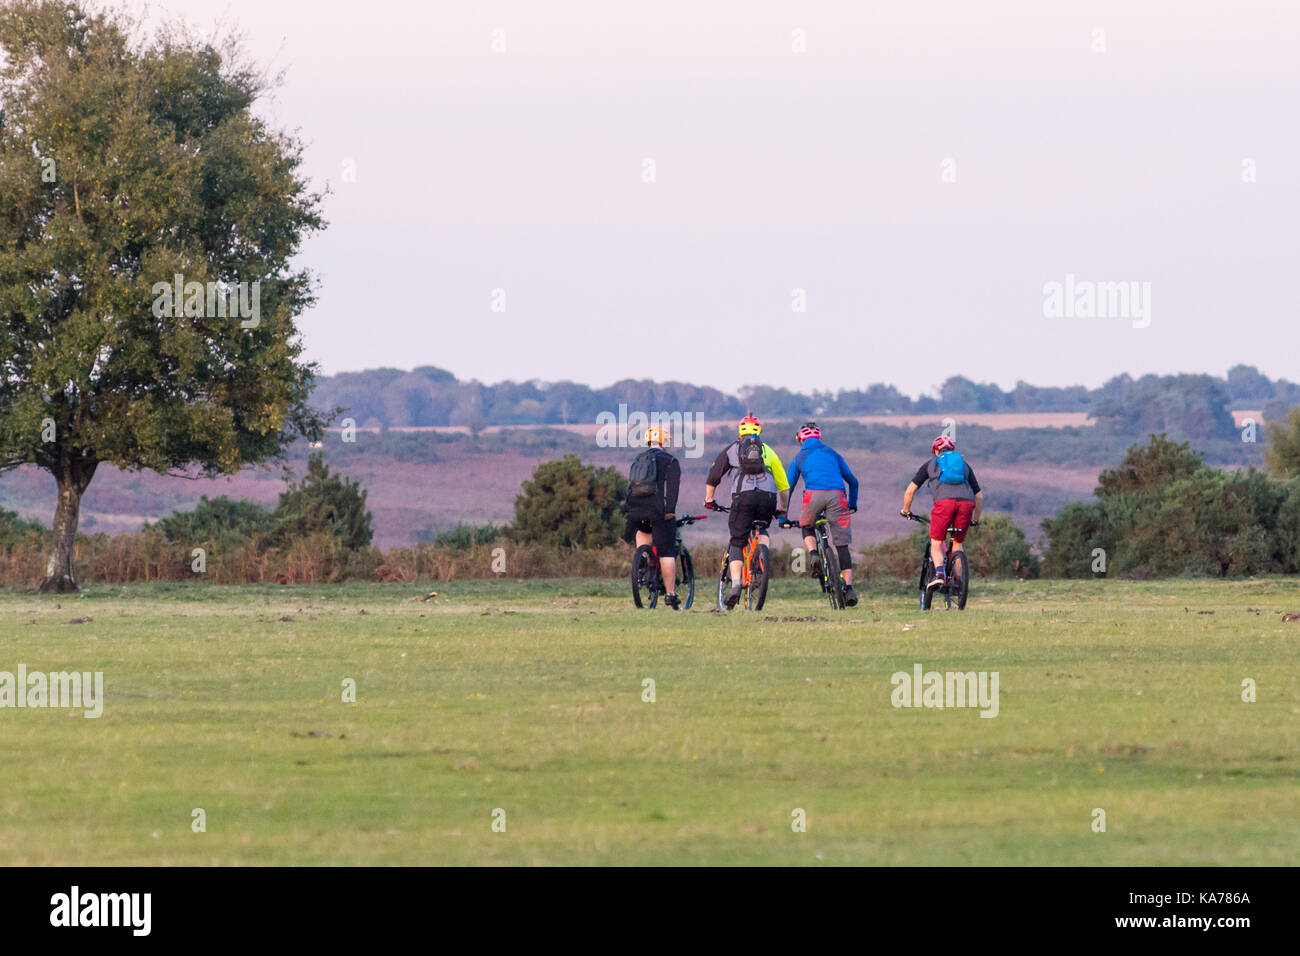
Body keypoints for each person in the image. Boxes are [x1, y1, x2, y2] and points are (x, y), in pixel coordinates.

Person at [704, 415, 790, 608]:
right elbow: (784, 487)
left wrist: (709, 499)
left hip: (743, 498)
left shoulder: (733, 449)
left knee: (737, 539)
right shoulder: (768, 451)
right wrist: (783, 507)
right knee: (762, 529)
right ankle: (761, 560)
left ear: (739, 432)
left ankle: (735, 586)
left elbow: (714, 476)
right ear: (759, 431)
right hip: (768, 498)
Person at [785, 422, 860, 607]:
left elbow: (787, 488)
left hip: (813, 497)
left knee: (807, 526)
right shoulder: (832, 453)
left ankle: (813, 554)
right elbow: (853, 480)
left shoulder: (800, 456)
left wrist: (782, 516)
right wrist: (852, 503)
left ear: (800, 439)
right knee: (842, 545)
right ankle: (849, 588)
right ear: (819, 437)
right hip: (838, 495)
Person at [900, 435, 983, 590]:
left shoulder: (930, 465)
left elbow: (910, 492)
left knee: (936, 541)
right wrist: (975, 519)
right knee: (958, 542)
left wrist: (906, 511)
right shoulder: (964, 466)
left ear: (936, 451)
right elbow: (979, 496)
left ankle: (939, 574)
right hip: (966, 503)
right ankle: (957, 580)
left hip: (944, 504)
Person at [622, 425, 683, 609]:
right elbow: (672, 489)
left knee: (643, 530)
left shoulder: (639, 459)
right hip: (659, 510)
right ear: (664, 441)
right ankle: (671, 594)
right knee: (666, 551)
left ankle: (642, 557)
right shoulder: (670, 461)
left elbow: (631, 486)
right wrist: (670, 510)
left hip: (637, 509)